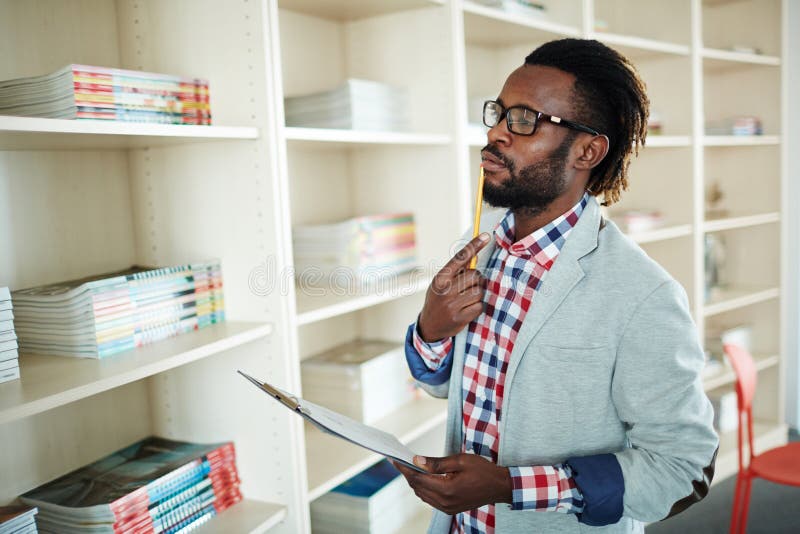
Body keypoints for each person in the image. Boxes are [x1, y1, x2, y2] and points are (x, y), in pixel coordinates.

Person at [394, 38, 719, 534]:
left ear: (587, 150)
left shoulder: (643, 295)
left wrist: (508, 486)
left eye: (524, 120)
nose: (496, 134)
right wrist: (431, 330)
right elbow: (448, 390)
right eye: (499, 113)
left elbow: (683, 468)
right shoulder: (479, 244)